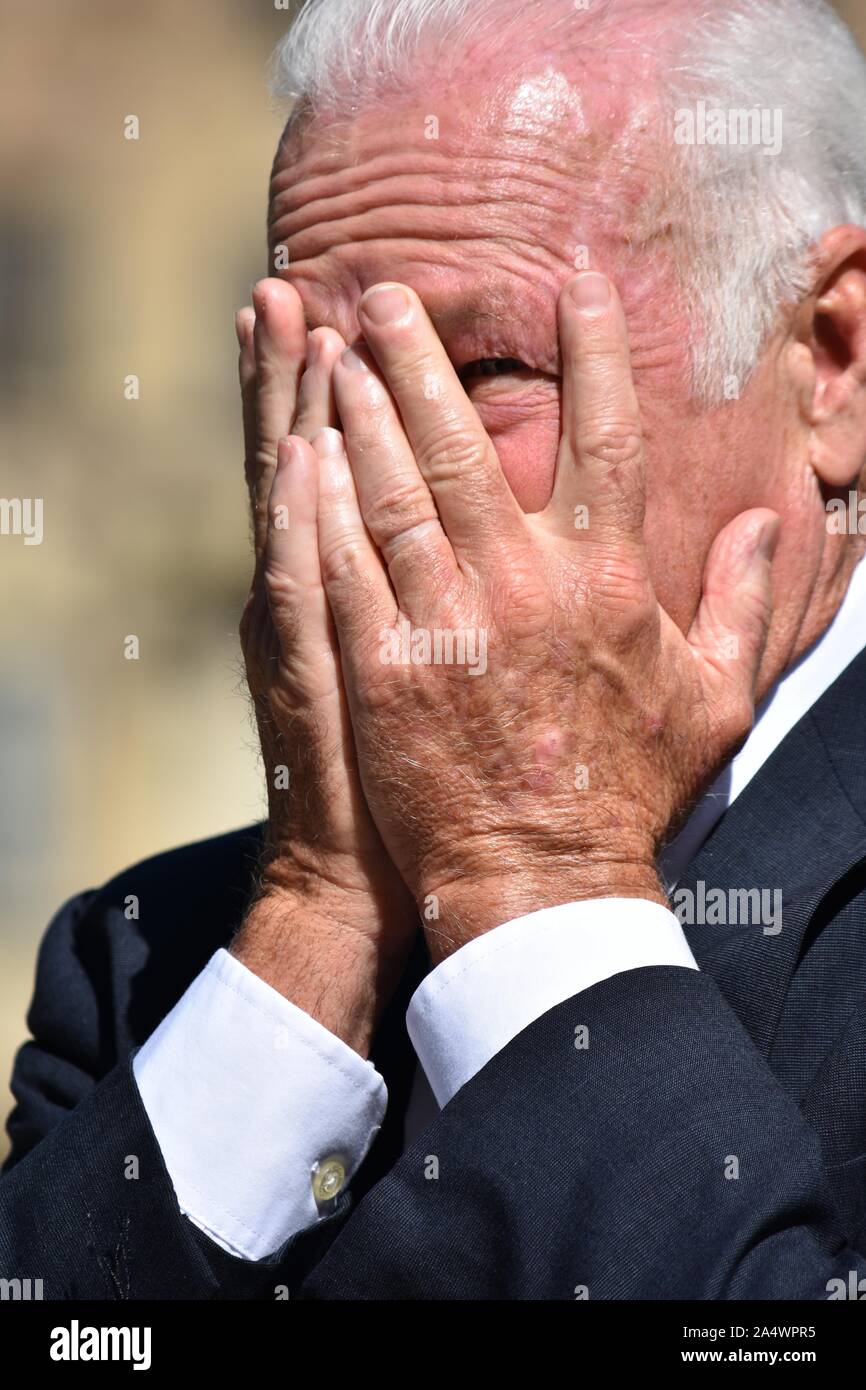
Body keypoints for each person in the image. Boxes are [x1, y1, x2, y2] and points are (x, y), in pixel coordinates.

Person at [3, 0, 866, 1299]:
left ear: (829, 364)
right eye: (311, 383)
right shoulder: (149, 960)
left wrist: (541, 885)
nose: (371, 474)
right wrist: (316, 922)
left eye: (481, 370)